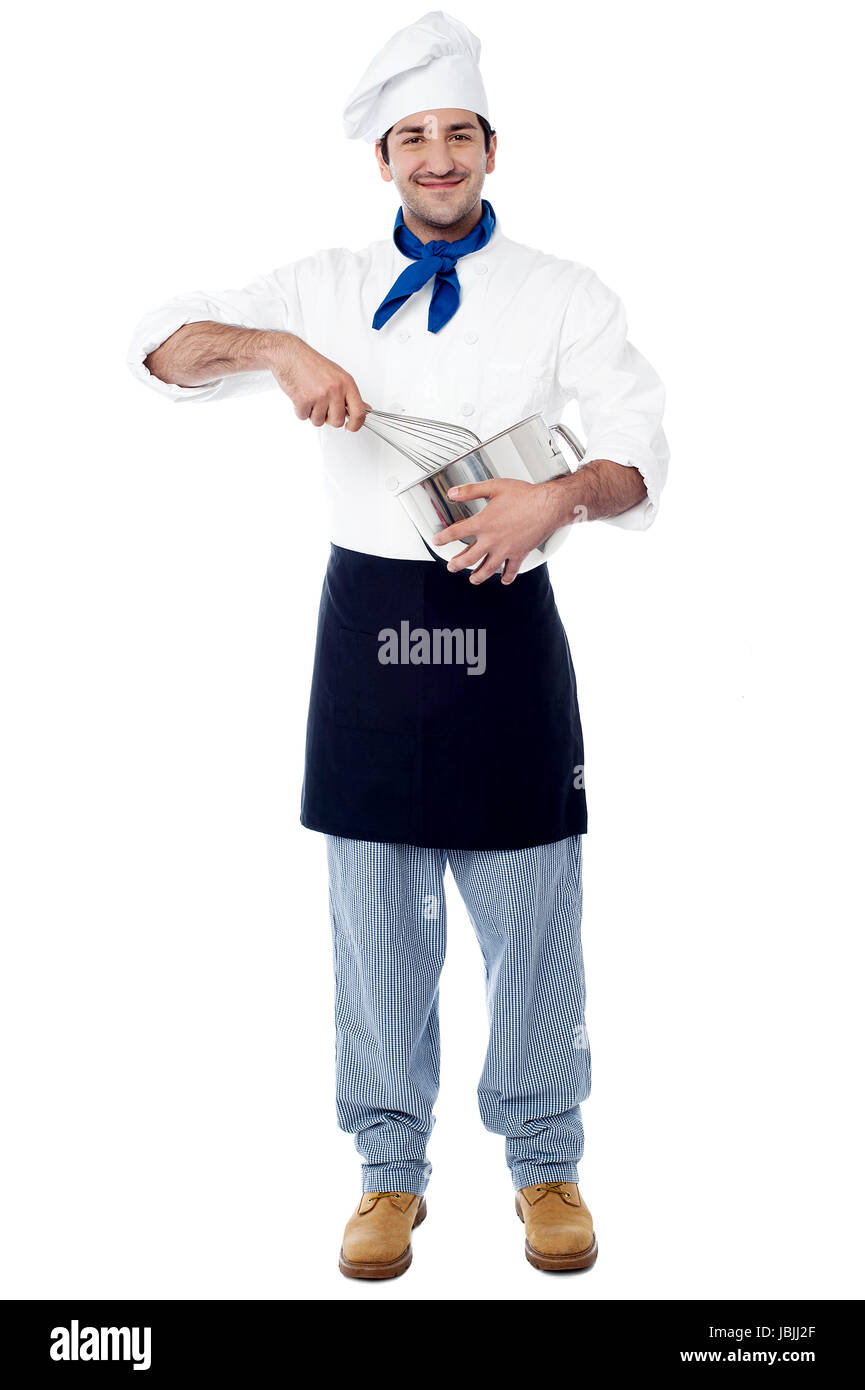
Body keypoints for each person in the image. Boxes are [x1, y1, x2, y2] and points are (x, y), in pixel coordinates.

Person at [126, 9, 669, 1279]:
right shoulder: (314, 284)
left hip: (507, 631)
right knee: (374, 922)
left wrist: (559, 498)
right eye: (410, 137)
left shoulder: (564, 293)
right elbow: (158, 346)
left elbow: (640, 449)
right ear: (382, 159)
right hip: (368, 627)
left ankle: (544, 1161)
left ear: (492, 148)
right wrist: (276, 350)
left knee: (534, 917)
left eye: (457, 133)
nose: (436, 155)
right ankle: (386, 1170)